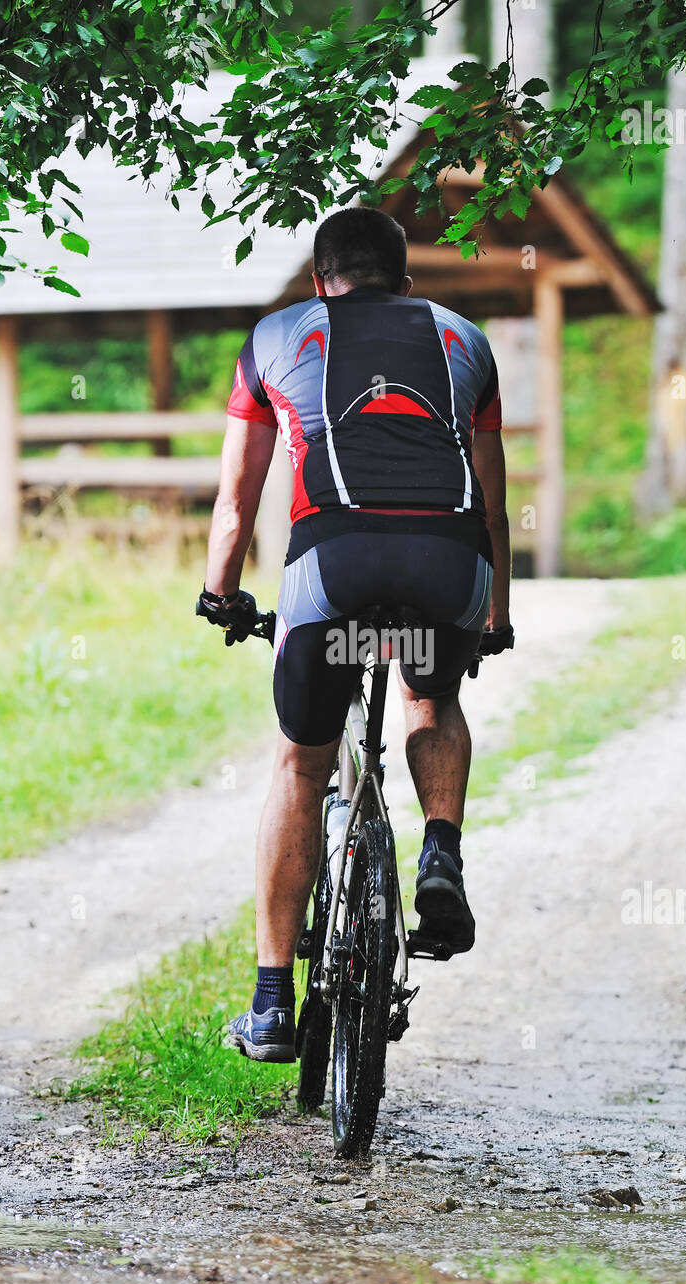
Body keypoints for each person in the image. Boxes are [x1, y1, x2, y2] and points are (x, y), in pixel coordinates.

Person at [198, 207, 513, 1062]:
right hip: (447, 566)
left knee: (300, 762)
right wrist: (496, 616)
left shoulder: (273, 336)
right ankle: (438, 855)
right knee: (429, 694)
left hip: (332, 565)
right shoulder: (465, 340)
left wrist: (220, 596)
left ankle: (270, 1007)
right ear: (406, 285)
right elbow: (492, 504)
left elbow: (234, 505)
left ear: (318, 281)